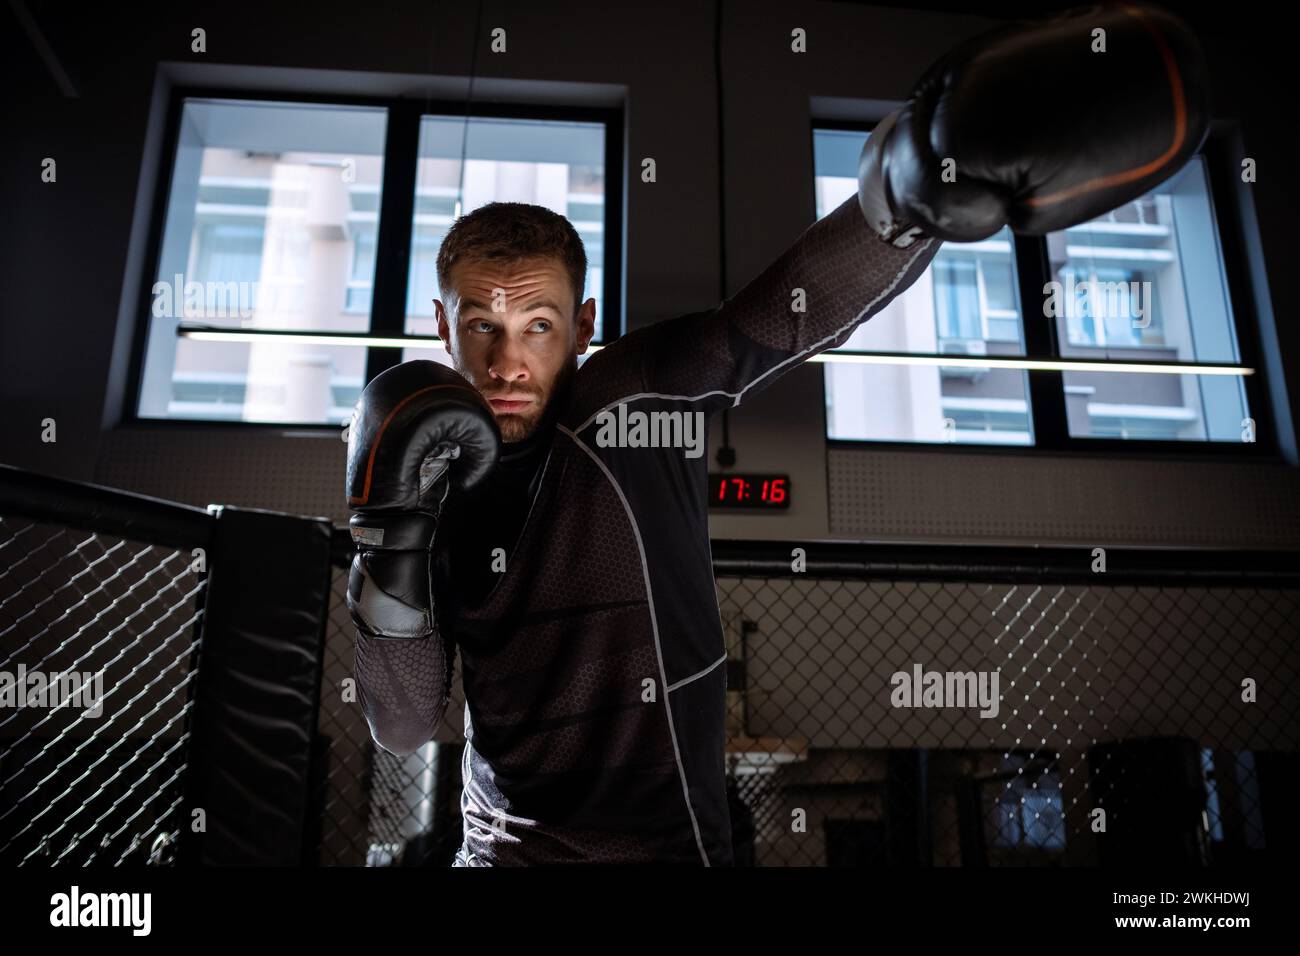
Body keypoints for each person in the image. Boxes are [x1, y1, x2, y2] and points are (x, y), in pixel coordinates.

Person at [344, 2, 1208, 865]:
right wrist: (389, 553)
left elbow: (775, 320)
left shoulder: (633, 398)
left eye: (538, 325)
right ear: (440, 326)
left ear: (585, 323)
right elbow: (408, 722)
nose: (506, 363)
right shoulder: (421, 467)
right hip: (500, 855)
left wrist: (902, 204)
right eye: (481, 327)